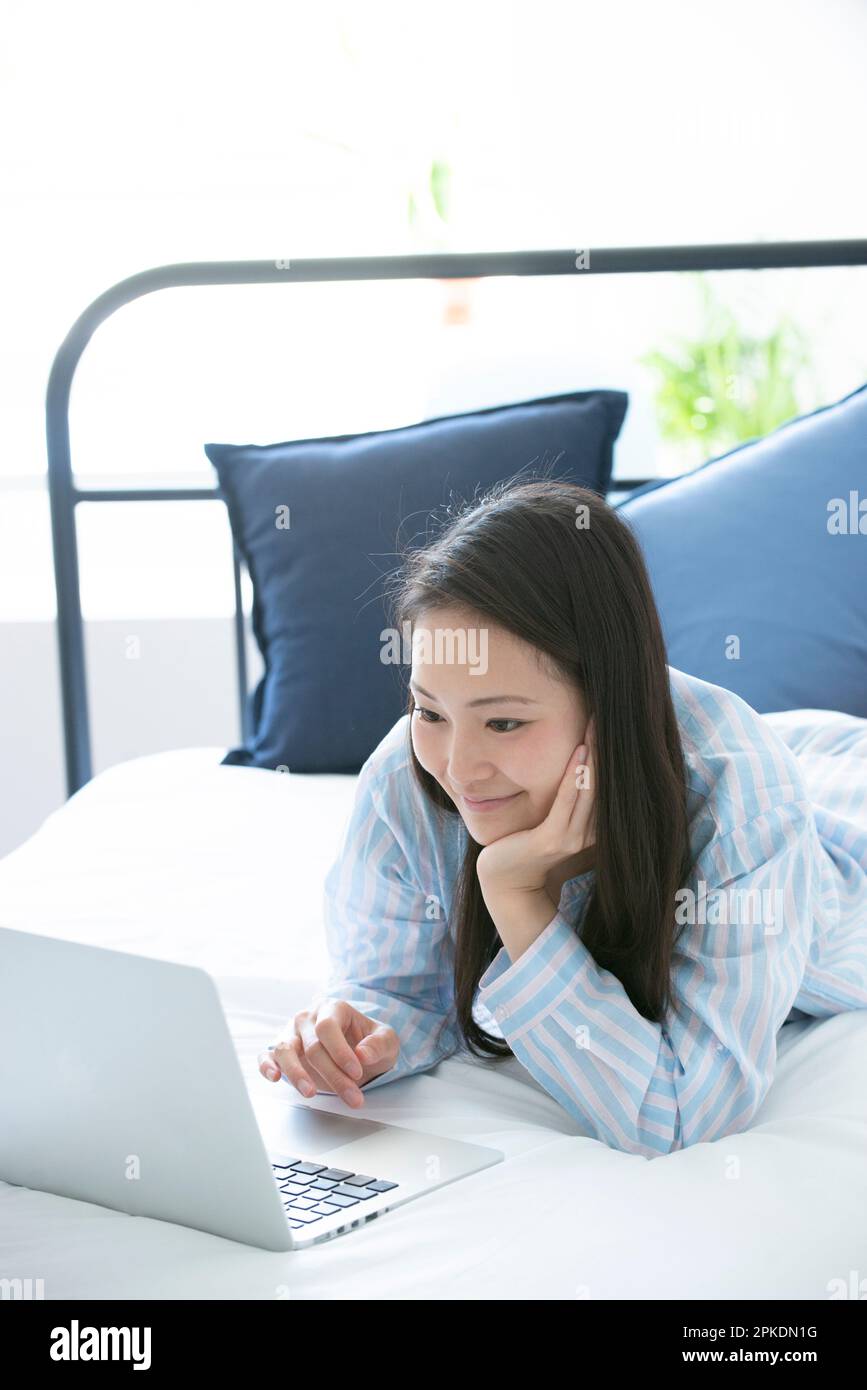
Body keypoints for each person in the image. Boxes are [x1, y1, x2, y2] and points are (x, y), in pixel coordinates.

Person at [259, 477, 867, 1158]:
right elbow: (398, 985)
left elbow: (680, 1115)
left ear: (609, 701)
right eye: (429, 710)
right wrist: (356, 1036)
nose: (458, 768)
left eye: (504, 721)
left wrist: (519, 903)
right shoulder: (407, 770)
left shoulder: (744, 809)